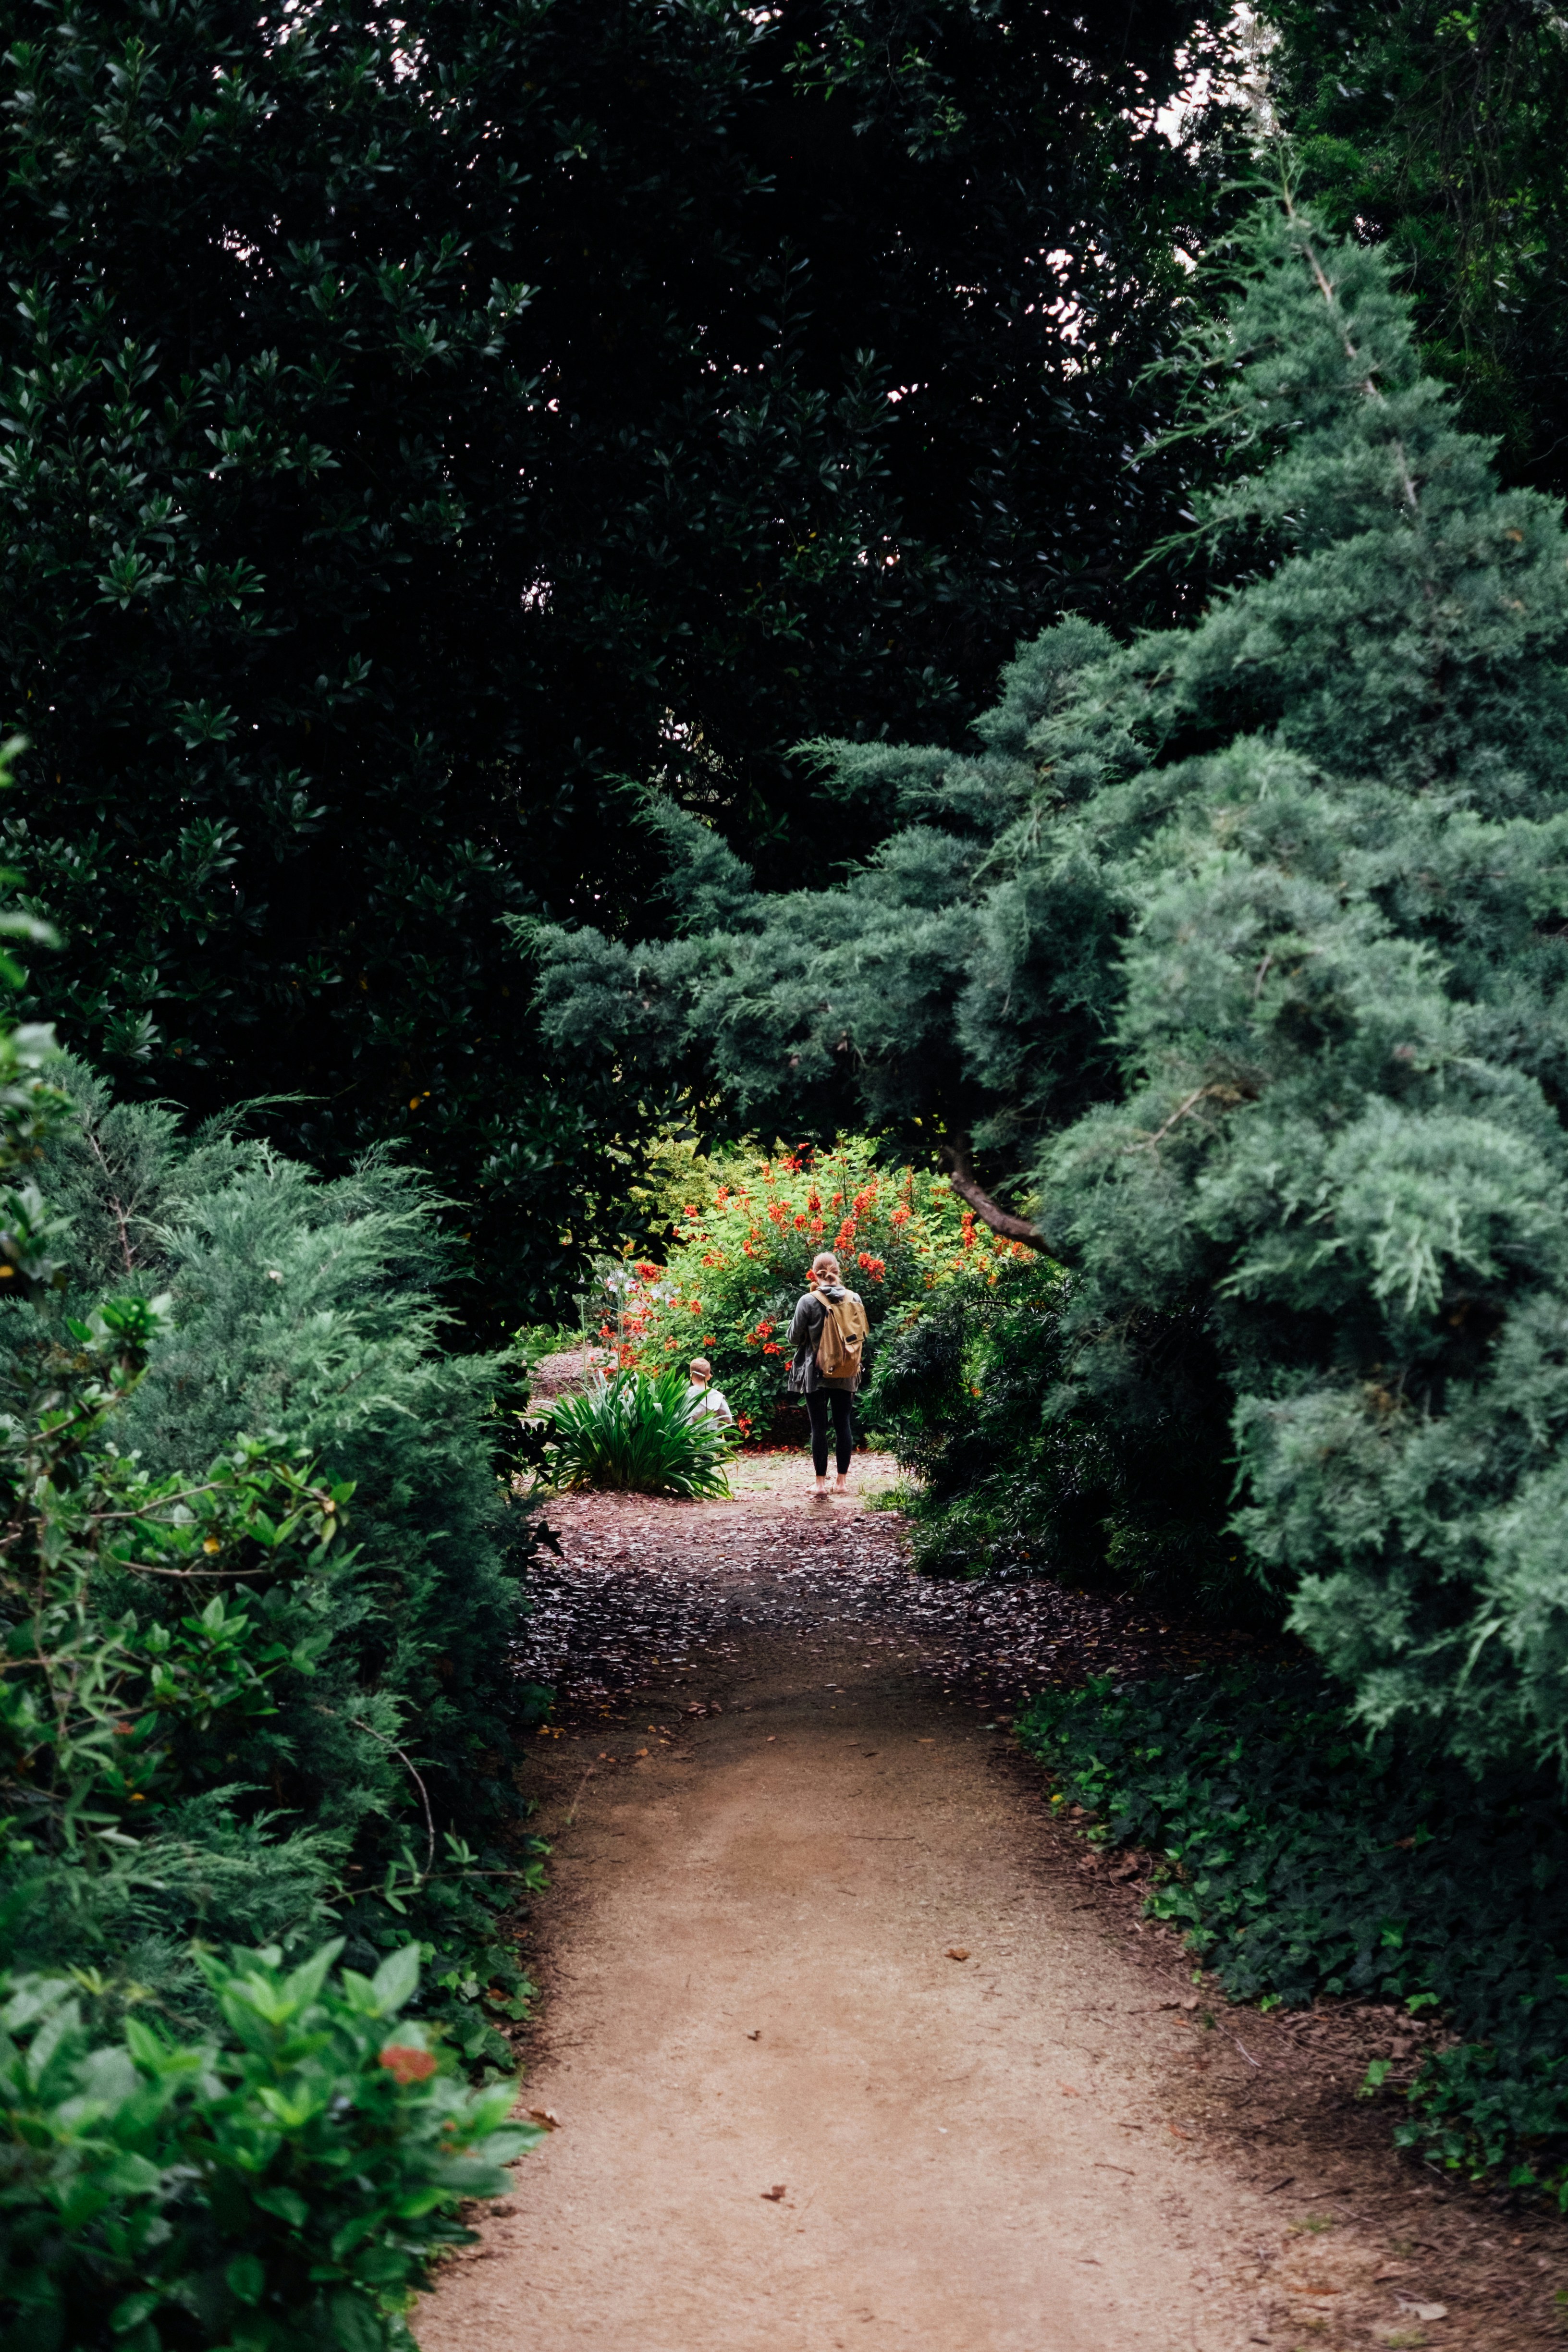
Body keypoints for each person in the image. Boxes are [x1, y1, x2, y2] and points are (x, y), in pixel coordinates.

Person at [787, 1250, 868, 1496]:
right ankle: (841, 1483)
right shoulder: (855, 1298)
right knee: (843, 1424)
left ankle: (820, 1485)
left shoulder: (808, 1301)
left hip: (816, 1372)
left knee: (819, 1428)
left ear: (814, 1274)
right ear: (838, 1271)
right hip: (846, 1370)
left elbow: (793, 1338)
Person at [685, 1357, 734, 1425]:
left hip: (689, 1433)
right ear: (709, 1377)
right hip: (711, 1434)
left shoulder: (686, 1394)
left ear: (691, 1376)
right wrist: (728, 1422)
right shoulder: (717, 1396)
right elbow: (728, 1417)